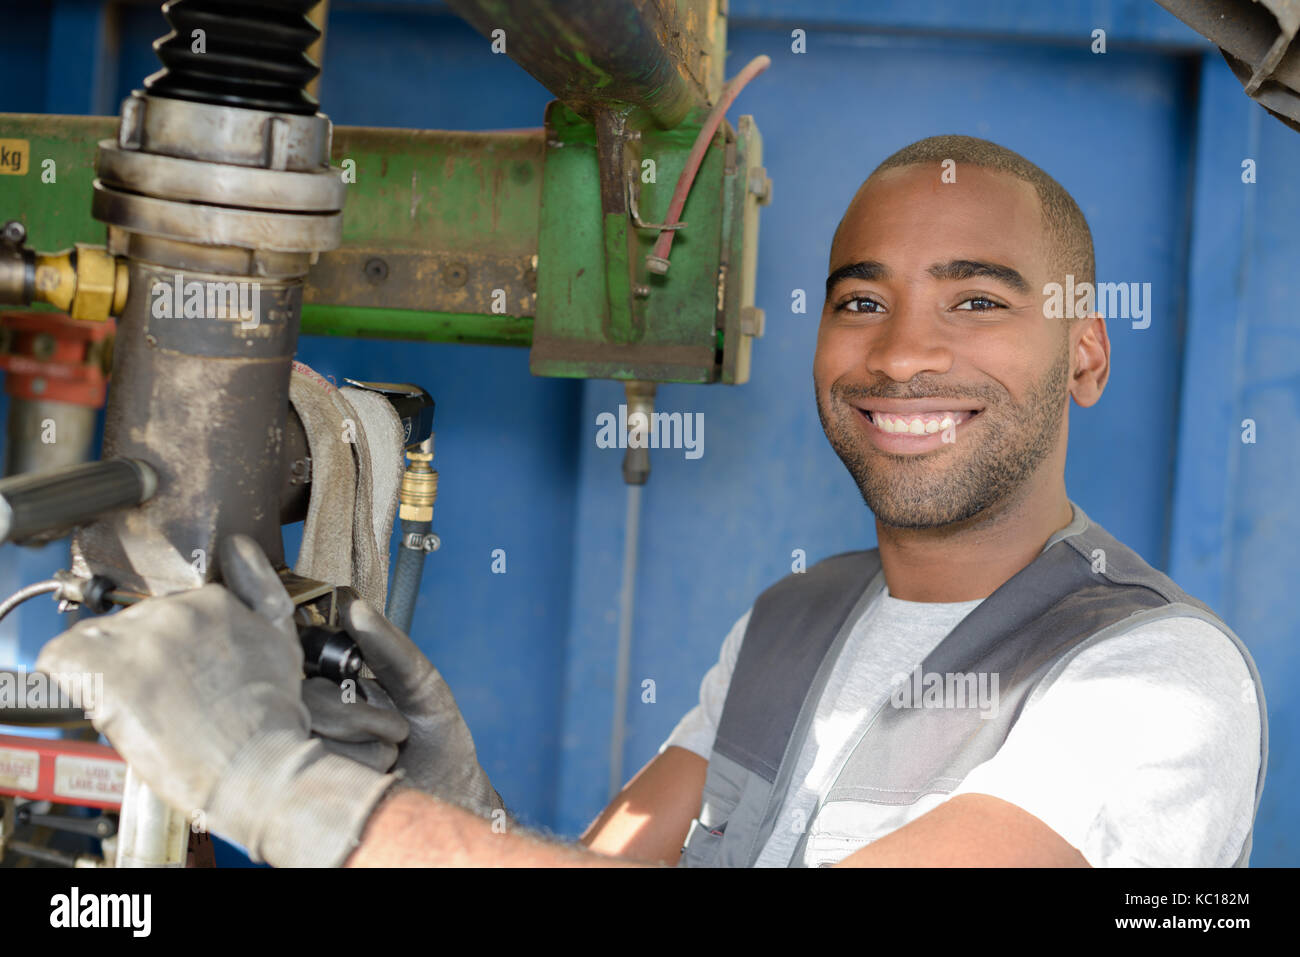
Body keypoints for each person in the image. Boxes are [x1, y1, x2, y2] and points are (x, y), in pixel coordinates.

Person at [37, 135, 1267, 868]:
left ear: (1087, 357)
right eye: (859, 300)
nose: (901, 355)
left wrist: (280, 788)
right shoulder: (789, 623)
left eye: (979, 302)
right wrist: (455, 802)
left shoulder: (1154, 684)